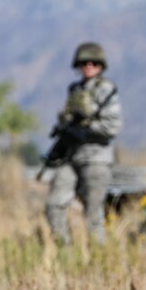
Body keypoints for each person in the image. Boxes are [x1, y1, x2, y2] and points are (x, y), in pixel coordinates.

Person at [44, 42, 123, 245]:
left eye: (94, 62)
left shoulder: (106, 89)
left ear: (101, 65)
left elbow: (112, 126)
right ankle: (65, 252)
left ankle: (99, 258)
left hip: (96, 158)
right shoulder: (75, 89)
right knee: (54, 204)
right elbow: (67, 119)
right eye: (84, 62)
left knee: (93, 213)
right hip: (71, 156)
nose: (89, 65)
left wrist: (85, 129)